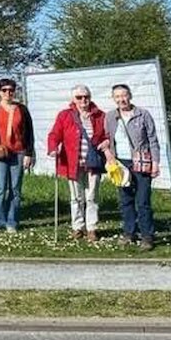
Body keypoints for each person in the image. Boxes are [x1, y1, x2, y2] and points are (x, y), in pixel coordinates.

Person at [47, 84, 112, 242]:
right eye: (79, 97)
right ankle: (77, 227)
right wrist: (53, 147)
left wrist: (107, 142)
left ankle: (91, 228)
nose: (83, 100)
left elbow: (107, 134)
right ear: (73, 99)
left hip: (93, 162)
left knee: (92, 197)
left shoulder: (100, 115)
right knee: (76, 197)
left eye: (86, 97)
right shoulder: (65, 115)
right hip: (72, 162)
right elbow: (55, 134)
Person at [105, 84, 161, 251]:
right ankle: (129, 232)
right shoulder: (110, 117)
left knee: (143, 200)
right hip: (121, 163)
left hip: (141, 162)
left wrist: (155, 163)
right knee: (125, 200)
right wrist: (109, 157)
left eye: (124, 95)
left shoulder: (143, 114)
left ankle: (147, 236)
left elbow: (152, 140)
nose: (121, 99)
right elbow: (106, 138)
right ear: (113, 99)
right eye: (117, 97)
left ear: (130, 96)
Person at [0, 78, 36, 233]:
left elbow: (29, 133)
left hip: (18, 152)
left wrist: (29, 153)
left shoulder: (21, 109)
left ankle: (12, 221)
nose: (8, 93)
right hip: (0, 153)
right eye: (4, 90)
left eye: (11, 90)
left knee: (15, 189)